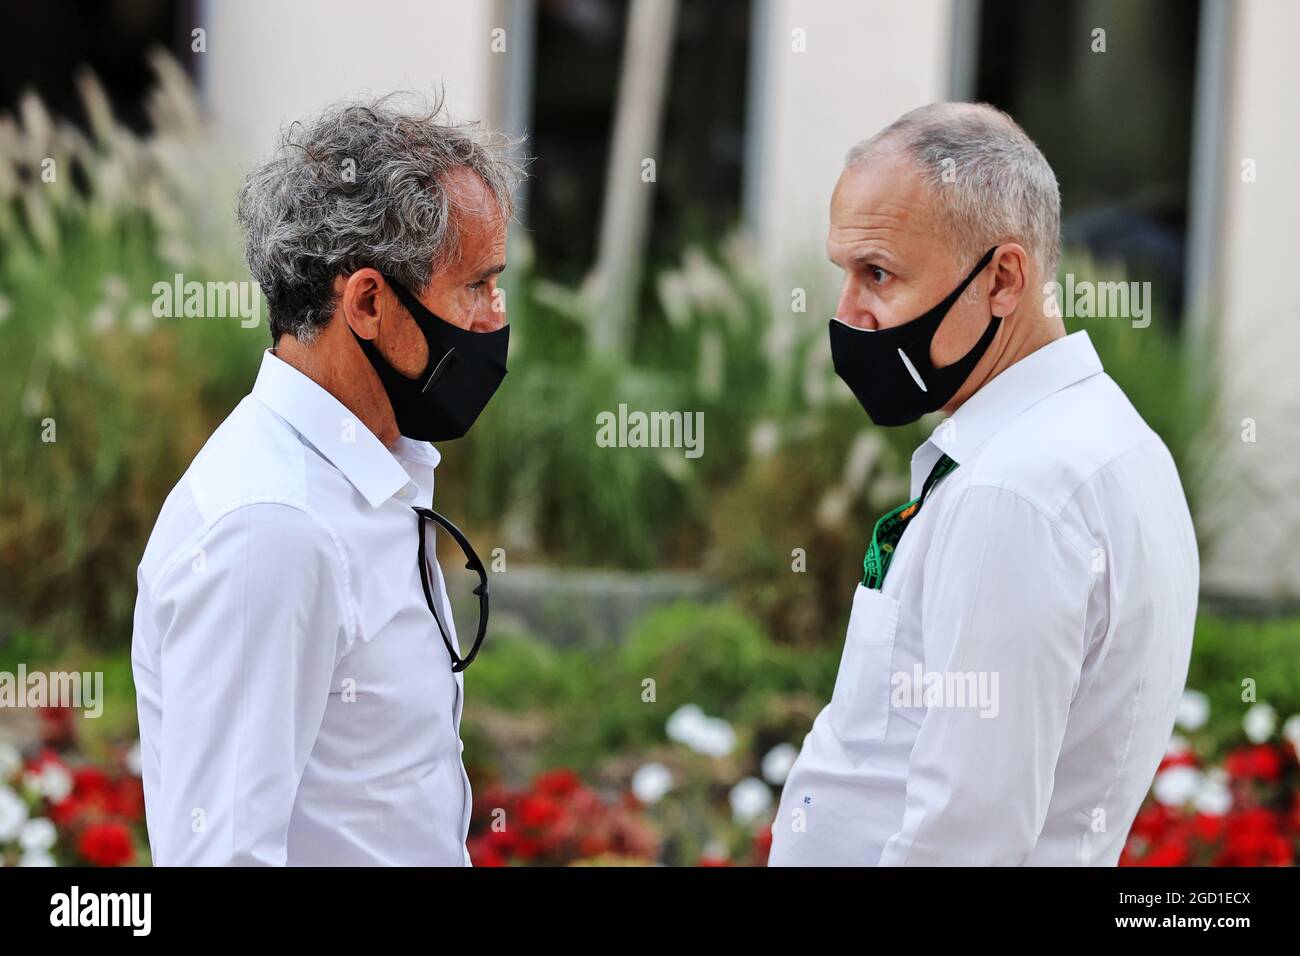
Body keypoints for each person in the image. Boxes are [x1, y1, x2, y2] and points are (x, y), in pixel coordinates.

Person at [769, 102, 1199, 866]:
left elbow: (965, 841)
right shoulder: (1108, 440)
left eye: (878, 274)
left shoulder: (1015, 493)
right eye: (843, 274)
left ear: (1004, 279)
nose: (847, 315)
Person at [131, 96, 523, 865]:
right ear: (370, 302)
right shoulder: (269, 529)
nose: (495, 317)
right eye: (476, 286)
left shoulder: (367, 476)